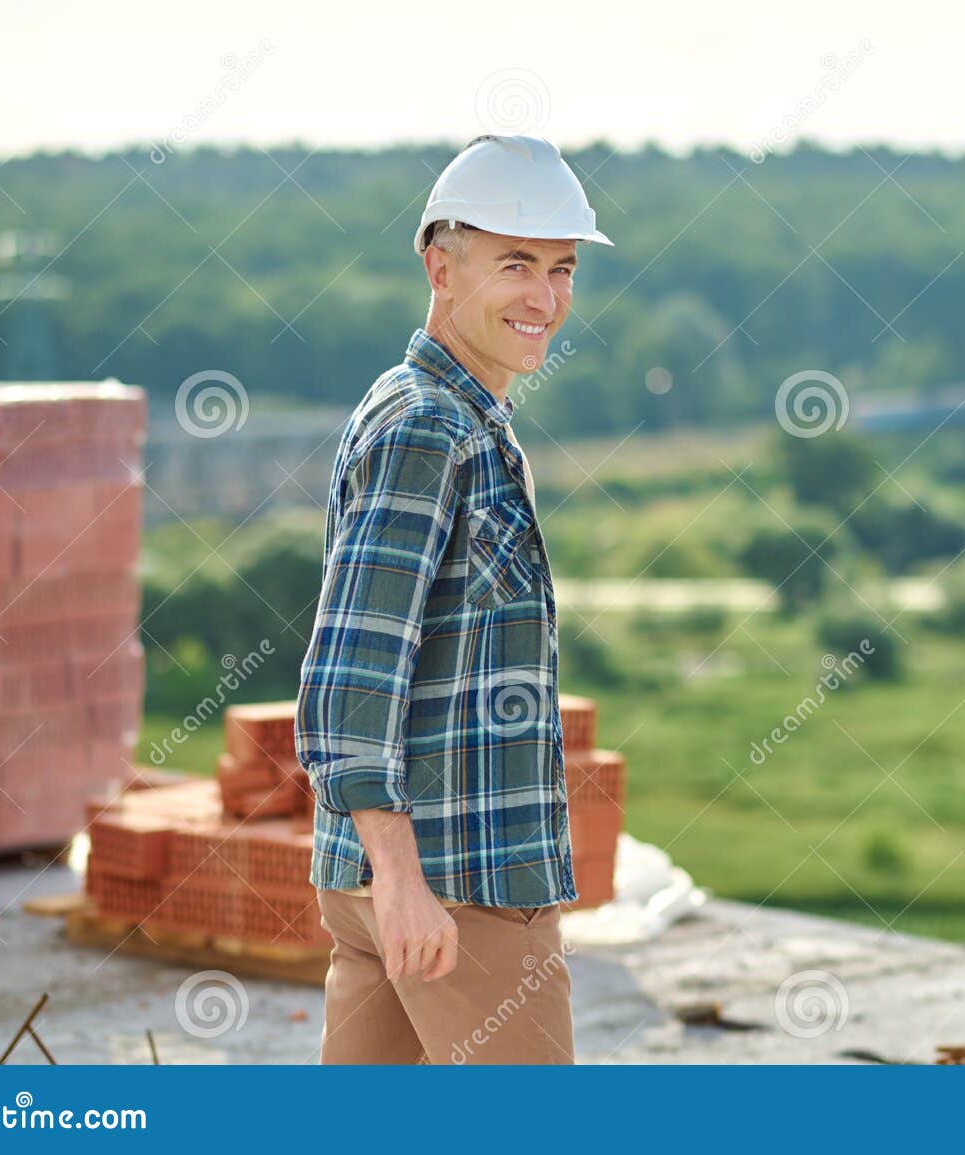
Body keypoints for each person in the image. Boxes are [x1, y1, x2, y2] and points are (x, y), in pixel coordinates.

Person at [295, 134, 612, 1064]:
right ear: (439, 263)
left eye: (560, 269)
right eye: (516, 264)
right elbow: (352, 666)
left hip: (398, 886)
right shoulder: (431, 426)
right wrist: (403, 882)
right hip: (455, 890)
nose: (545, 299)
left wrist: (385, 882)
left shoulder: (448, 415)